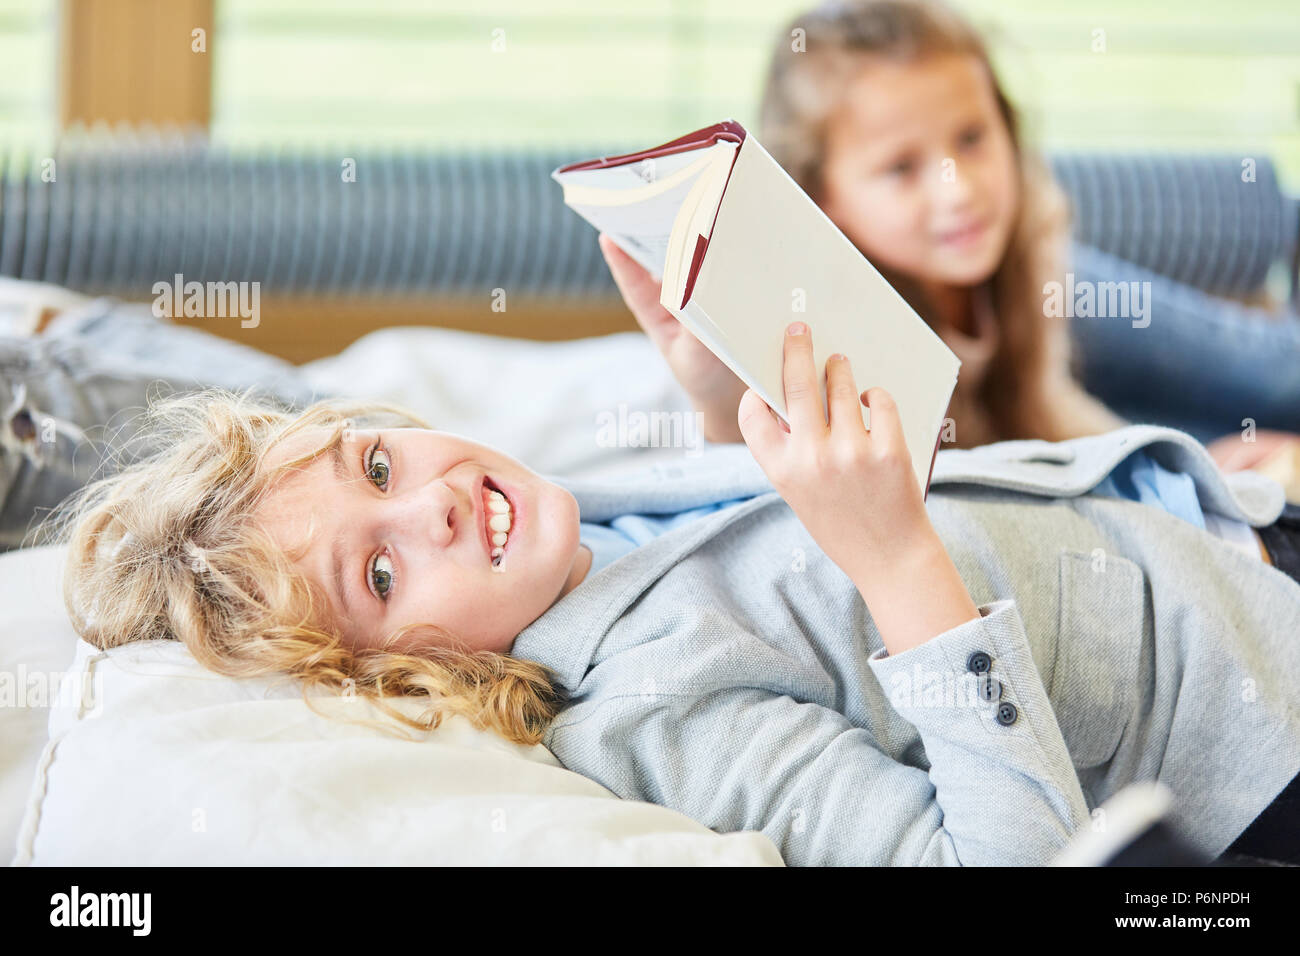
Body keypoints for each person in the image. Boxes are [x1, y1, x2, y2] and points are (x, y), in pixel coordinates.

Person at [51, 316, 1300, 866]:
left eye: (375, 462)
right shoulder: (653, 712)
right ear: (394, 673)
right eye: (377, 571)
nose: (422, 501)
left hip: (1218, 530)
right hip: (1262, 732)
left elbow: (755, 557)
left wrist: (710, 392)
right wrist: (894, 557)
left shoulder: (566, 514)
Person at [600, 0, 1300, 460]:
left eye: (971, 138)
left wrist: (1194, 463)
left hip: (1052, 286)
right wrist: (1202, 470)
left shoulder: (1025, 243)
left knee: (1275, 374)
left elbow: (1051, 409)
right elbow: (759, 467)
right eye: (901, 168)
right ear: (820, 198)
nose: (958, 192)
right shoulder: (838, 336)